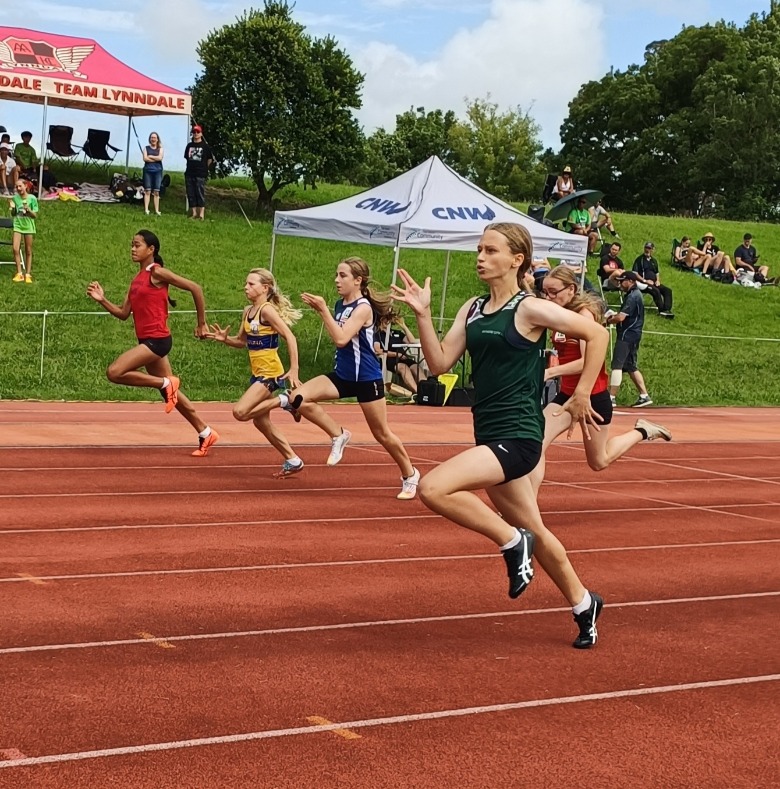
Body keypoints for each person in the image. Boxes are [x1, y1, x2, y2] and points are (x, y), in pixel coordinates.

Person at [392, 222, 610, 649]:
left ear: (517, 259)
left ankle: (512, 542)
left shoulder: (529, 308)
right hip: (489, 434)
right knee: (538, 531)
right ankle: (585, 604)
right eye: (479, 249)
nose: (480, 257)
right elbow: (438, 364)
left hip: (520, 436)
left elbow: (598, 334)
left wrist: (582, 393)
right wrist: (421, 314)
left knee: (433, 488)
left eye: (490, 250)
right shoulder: (473, 308)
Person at [256, 257, 421, 500]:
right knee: (298, 397)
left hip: (366, 378)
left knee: (381, 433)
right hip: (343, 376)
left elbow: (342, 338)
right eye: (337, 274)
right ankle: (338, 434)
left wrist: (323, 311)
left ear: (358, 280)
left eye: (342, 276)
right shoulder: (340, 304)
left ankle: (410, 474)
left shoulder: (362, 307)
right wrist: (327, 310)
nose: (336, 280)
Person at [530, 266, 671, 492]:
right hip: (566, 395)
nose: (548, 297)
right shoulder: (558, 315)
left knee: (599, 461)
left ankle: (643, 431)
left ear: (571, 289)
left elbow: (588, 361)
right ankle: (525, 507)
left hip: (592, 397)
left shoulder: (584, 316)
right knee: (534, 444)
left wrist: (549, 372)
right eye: (545, 292)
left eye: (553, 292)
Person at [86, 230, 220, 457]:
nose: (132, 249)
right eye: (131, 245)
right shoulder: (136, 281)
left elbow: (195, 288)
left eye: (137, 245)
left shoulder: (157, 273)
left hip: (158, 341)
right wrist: (102, 300)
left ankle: (165, 383)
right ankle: (205, 431)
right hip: (147, 341)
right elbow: (123, 313)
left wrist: (202, 324)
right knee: (171, 394)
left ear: (151, 250)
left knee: (115, 372)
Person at [207, 268, 342, 477]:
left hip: (270, 373)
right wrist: (226, 340)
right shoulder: (247, 311)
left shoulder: (267, 311)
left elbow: (290, 337)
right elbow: (242, 342)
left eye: (251, 284)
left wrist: (294, 369)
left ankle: (284, 401)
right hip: (258, 373)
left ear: (265, 288)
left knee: (240, 412)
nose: (246, 287)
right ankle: (292, 459)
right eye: (246, 283)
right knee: (261, 421)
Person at [606, 271, 653, 408]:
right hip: (634, 335)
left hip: (627, 335)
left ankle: (611, 397)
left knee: (617, 365)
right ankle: (644, 395)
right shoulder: (634, 294)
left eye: (622, 281)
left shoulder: (633, 296)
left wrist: (608, 320)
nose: (620, 283)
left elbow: (621, 318)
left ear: (631, 281)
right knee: (631, 366)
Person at [373, 316, 423, 394]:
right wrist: (396, 355)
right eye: (384, 319)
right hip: (389, 359)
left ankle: (427, 389)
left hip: (403, 357)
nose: (387, 321)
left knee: (415, 367)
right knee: (403, 367)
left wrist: (404, 326)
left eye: (388, 319)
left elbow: (412, 341)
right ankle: (418, 392)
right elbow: (378, 350)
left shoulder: (397, 333)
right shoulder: (377, 335)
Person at [632, 242, 674, 318]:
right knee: (656, 291)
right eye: (646, 248)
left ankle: (667, 309)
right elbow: (635, 273)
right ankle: (661, 310)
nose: (647, 250)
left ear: (653, 250)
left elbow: (657, 273)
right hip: (643, 283)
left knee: (667, 290)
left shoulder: (654, 261)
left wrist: (658, 280)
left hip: (654, 283)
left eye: (649, 248)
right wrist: (645, 280)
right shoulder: (639, 260)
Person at [9, 179, 38, 284]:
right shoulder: (15, 199)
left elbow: (34, 216)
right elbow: (14, 214)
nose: (18, 188)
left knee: (28, 250)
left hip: (28, 227)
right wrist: (12, 208)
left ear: (25, 186)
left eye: (20, 186)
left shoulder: (32, 199)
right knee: (15, 249)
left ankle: (28, 274)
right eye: (16, 187)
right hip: (18, 225)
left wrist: (28, 210)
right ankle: (19, 273)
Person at [184, 125, 213, 221]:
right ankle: (194, 213)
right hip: (189, 173)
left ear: (201, 133)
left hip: (200, 174)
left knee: (200, 193)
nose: (196, 134)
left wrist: (205, 168)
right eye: (194, 132)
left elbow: (210, 159)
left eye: (198, 132)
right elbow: (187, 158)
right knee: (191, 193)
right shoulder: (189, 146)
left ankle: (201, 214)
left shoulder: (205, 146)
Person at [142, 132, 164, 217]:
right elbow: (145, 158)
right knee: (147, 190)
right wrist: (155, 159)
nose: (153, 139)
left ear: (157, 139)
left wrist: (150, 156)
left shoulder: (160, 149)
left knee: (156, 192)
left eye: (154, 138)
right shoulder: (146, 148)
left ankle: (157, 210)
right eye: (152, 137)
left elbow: (160, 157)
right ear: (150, 139)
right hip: (148, 171)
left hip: (158, 171)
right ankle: (146, 209)